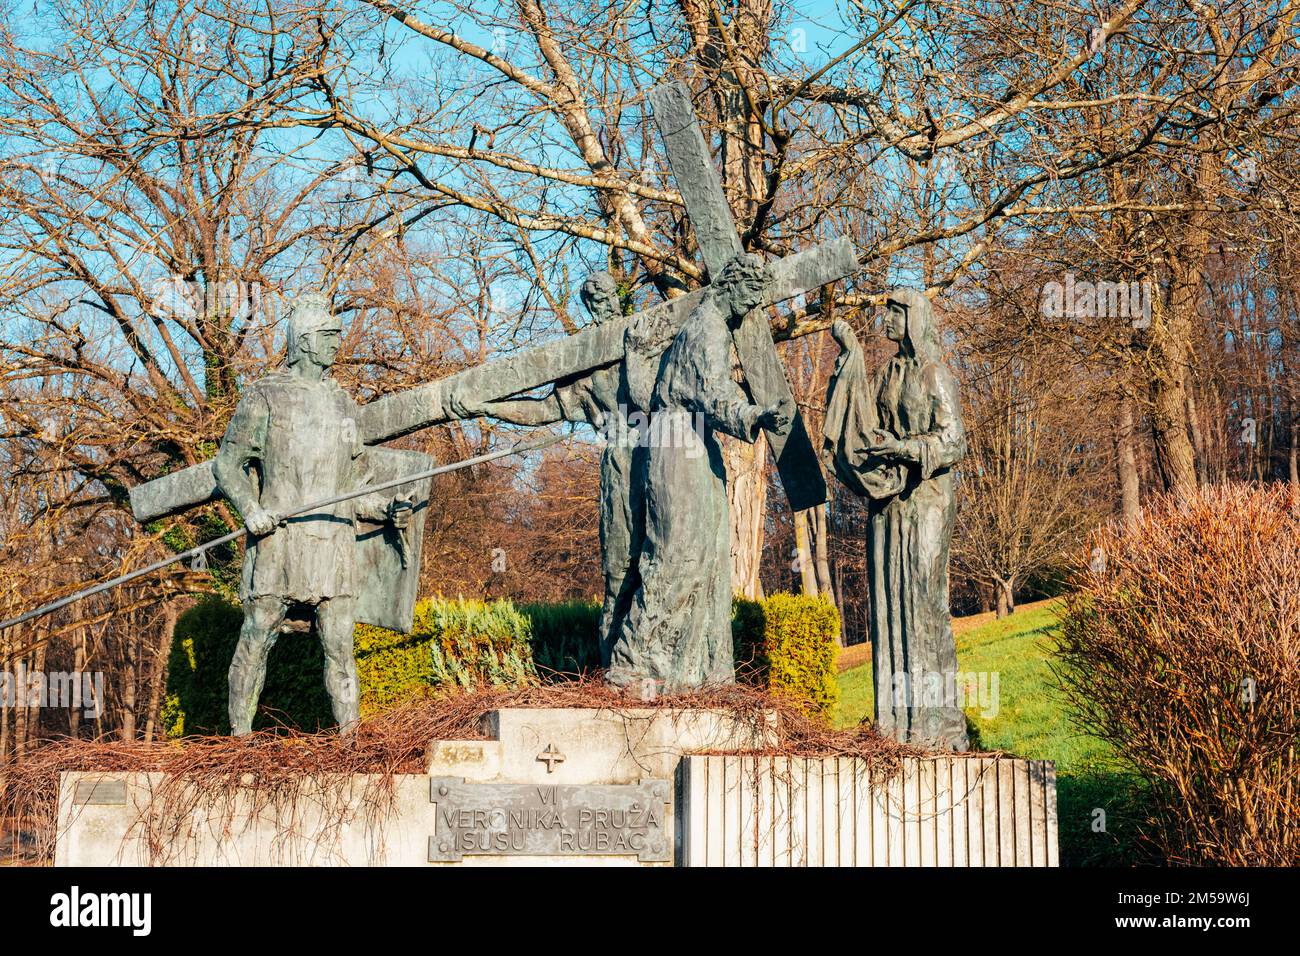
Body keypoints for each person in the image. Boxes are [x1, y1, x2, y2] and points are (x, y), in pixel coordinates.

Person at [213, 294, 410, 735]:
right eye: (329, 335)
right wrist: (250, 508)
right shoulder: (267, 394)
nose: (337, 343)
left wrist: (385, 509)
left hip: (333, 544)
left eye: (337, 335)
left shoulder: (343, 403)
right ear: (303, 341)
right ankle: (239, 742)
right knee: (258, 632)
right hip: (280, 540)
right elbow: (227, 464)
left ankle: (351, 743)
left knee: (340, 643)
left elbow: (353, 489)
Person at [607, 253, 789, 693]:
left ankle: (703, 673)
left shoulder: (716, 328)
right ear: (730, 285)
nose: (752, 306)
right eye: (750, 294)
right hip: (675, 445)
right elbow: (710, 394)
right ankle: (629, 665)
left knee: (709, 560)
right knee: (677, 557)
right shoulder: (706, 327)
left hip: (697, 445)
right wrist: (756, 413)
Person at [449, 272, 645, 664]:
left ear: (619, 299)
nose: (603, 304)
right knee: (620, 572)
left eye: (608, 296)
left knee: (663, 566)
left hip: (664, 458)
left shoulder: (645, 339)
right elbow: (543, 410)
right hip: (622, 466)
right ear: (588, 307)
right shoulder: (583, 363)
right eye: (595, 300)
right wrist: (489, 408)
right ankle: (617, 670)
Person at [822, 288, 969, 750]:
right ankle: (896, 726)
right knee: (890, 602)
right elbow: (867, 421)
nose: (885, 319)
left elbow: (952, 442)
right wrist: (851, 358)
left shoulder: (935, 374)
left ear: (912, 318)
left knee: (922, 604)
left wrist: (905, 448)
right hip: (889, 504)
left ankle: (936, 725)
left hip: (927, 501)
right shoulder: (888, 373)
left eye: (894, 312)